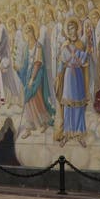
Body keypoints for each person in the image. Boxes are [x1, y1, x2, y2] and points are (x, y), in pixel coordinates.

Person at [56, 18, 89, 147]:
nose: (71, 31)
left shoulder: (81, 44)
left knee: (79, 105)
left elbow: (85, 62)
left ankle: (79, 134)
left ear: (77, 29)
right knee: (68, 105)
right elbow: (61, 63)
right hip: (68, 76)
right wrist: (58, 76)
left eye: (73, 28)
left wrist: (87, 54)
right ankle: (67, 133)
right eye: (69, 29)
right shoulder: (64, 45)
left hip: (79, 77)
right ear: (67, 31)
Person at [19, 23, 54, 137]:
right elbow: (24, 63)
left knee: (35, 97)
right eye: (26, 32)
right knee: (28, 100)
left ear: (34, 32)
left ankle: (42, 122)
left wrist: (32, 79)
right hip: (28, 75)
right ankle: (29, 125)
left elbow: (37, 63)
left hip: (36, 75)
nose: (28, 34)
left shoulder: (38, 46)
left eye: (30, 31)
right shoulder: (25, 46)